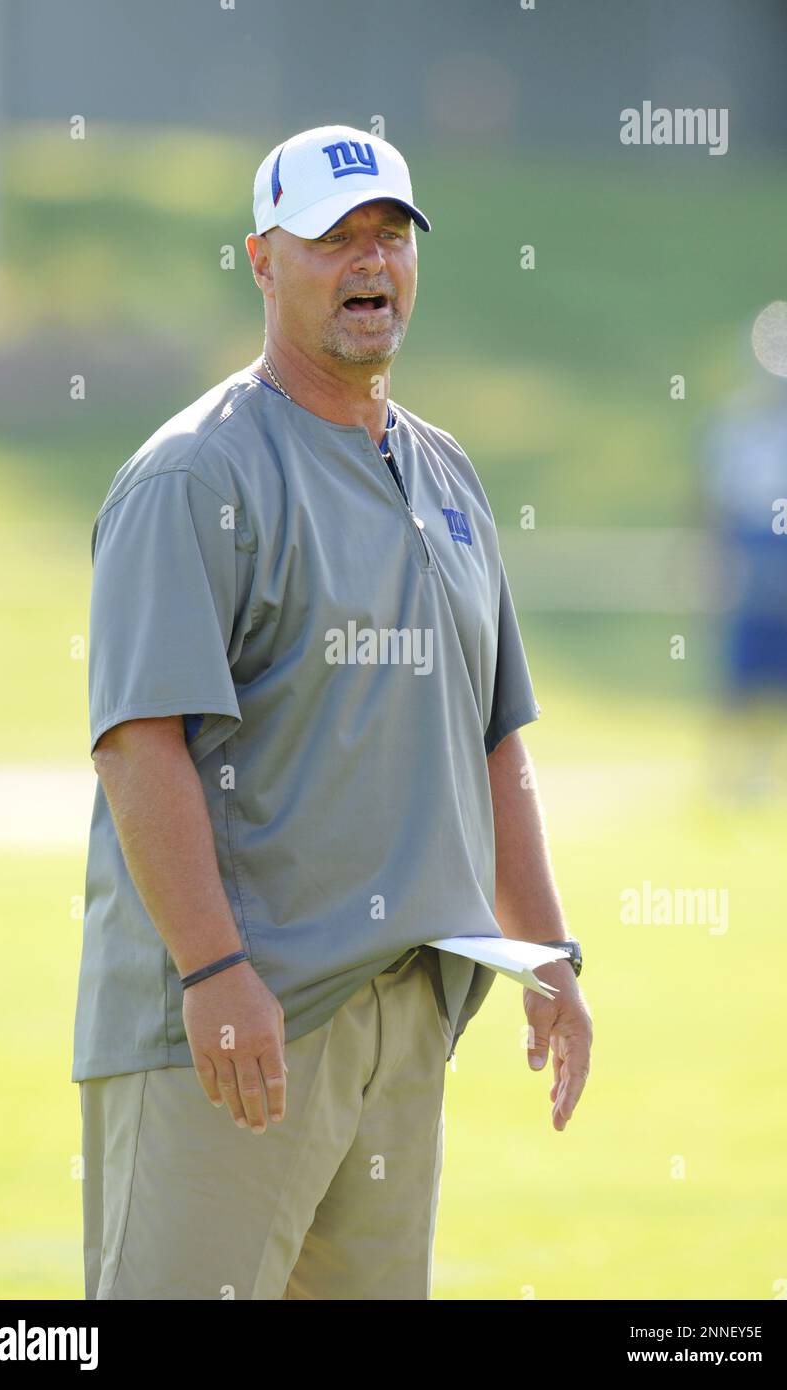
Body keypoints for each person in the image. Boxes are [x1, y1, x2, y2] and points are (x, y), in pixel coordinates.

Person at [73, 124, 593, 1301]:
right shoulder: (191, 478)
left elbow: (495, 737)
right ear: (261, 261)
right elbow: (137, 743)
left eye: (391, 236)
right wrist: (214, 971)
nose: (371, 262)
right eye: (333, 239)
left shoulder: (447, 472)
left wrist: (549, 948)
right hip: (234, 1020)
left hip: (402, 1019)